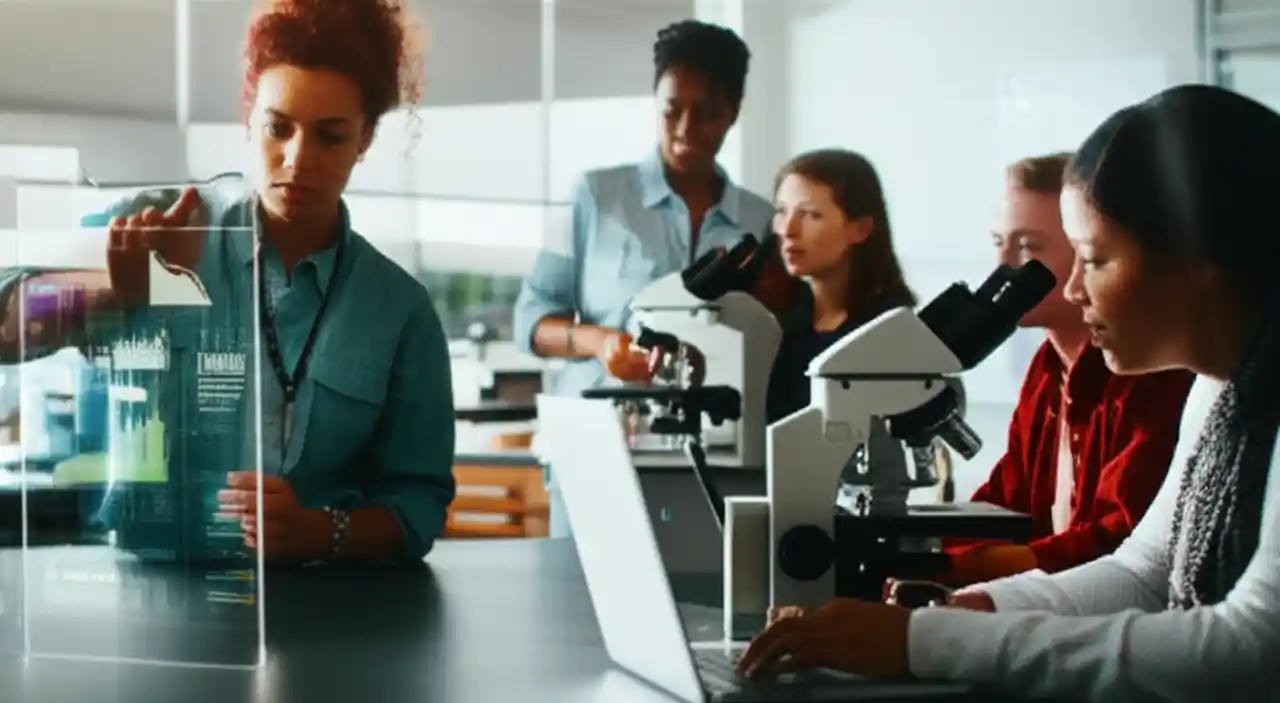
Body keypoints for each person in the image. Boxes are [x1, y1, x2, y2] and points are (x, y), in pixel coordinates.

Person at [736, 84, 1280, 703]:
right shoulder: (1221, 387)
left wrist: (926, 644)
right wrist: (962, 610)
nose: (1073, 289)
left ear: (1195, 256)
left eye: (1095, 259)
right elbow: (1145, 574)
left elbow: (1252, 655)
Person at [0, 0, 455, 564]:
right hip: (149, 597)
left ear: (363, 140)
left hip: (319, 602)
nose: (297, 159)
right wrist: (114, 293)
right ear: (248, 118)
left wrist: (320, 532)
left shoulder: (398, 309)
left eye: (331, 137)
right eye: (278, 127)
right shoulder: (155, 223)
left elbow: (419, 505)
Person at [941, 153, 1195, 585]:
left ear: (1087, 252)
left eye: (1028, 247)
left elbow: (1119, 541)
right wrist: (919, 551)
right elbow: (1007, 501)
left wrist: (969, 566)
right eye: (999, 242)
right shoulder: (1046, 368)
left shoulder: (1150, 376)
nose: (1003, 266)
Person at [512, 19, 774, 398]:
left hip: (716, 426)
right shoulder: (593, 195)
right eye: (671, 110)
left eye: (706, 114)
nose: (685, 128)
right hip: (599, 420)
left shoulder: (761, 221)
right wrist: (600, 342)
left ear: (733, 114)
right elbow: (530, 320)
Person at [763, 149, 916, 424]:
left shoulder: (888, 331)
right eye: (781, 211)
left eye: (810, 214)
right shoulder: (782, 320)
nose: (788, 229)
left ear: (860, 229)